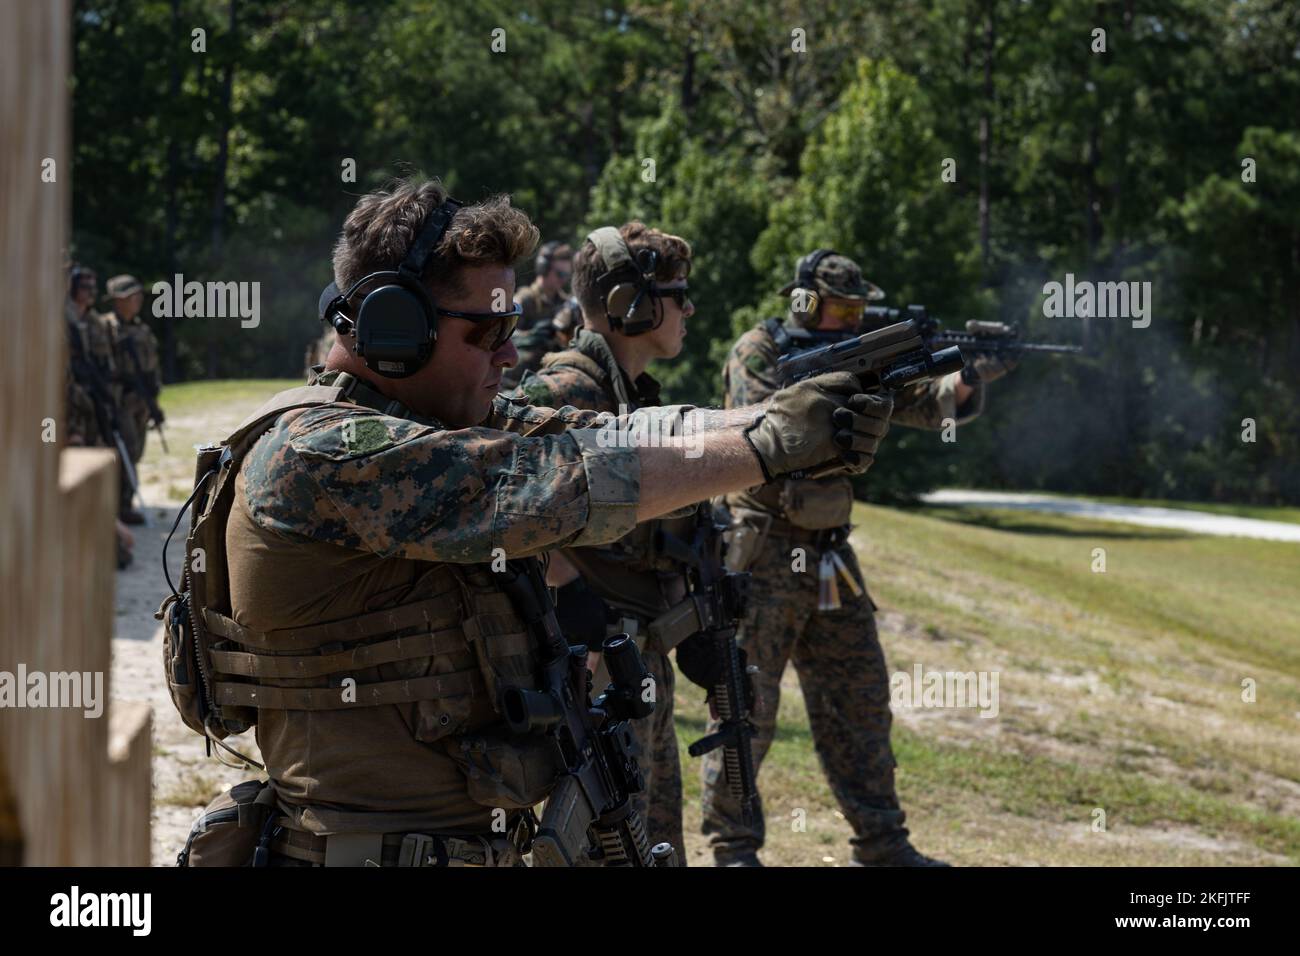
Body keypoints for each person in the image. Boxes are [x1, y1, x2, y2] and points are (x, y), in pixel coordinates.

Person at [183, 177, 894, 867]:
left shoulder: (434, 422)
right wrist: (770, 446)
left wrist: (779, 422)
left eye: (512, 328)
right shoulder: (321, 455)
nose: (508, 355)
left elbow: (614, 436)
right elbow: (550, 485)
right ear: (393, 326)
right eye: (486, 331)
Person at [700, 250, 1016, 867]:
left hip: (829, 556)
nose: (848, 321)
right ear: (804, 304)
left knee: (860, 701)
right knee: (747, 709)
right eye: (838, 310)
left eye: (857, 311)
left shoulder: (857, 354)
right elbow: (767, 435)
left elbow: (929, 405)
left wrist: (971, 375)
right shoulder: (757, 351)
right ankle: (732, 850)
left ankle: (882, 845)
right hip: (764, 548)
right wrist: (851, 392)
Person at [511, 221, 707, 857]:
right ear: (633, 305)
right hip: (594, 665)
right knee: (605, 842)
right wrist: (580, 620)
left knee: (653, 838)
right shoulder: (563, 391)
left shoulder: (624, 394)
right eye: (678, 293)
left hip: (632, 657)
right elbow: (514, 520)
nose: (689, 307)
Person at [106, 275, 163, 475]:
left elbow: (152, 365)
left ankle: (127, 500)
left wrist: (154, 398)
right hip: (121, 399)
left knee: (137, 452)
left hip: (142, 399)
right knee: (126, 451)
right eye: (132, 296)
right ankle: (122, 503)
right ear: (119, 299)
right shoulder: (107, 327)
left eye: (139, 295)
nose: (138, 299)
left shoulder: (142, 330)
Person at [503, 240, 572, 389]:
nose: (563, 279)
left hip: (553, 372)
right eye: (560, 274)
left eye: (567, 274)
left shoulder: (566, 303)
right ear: (544, 268)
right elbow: (503, 336)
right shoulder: (525, 299)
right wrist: (532, 336)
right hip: (521, 375)